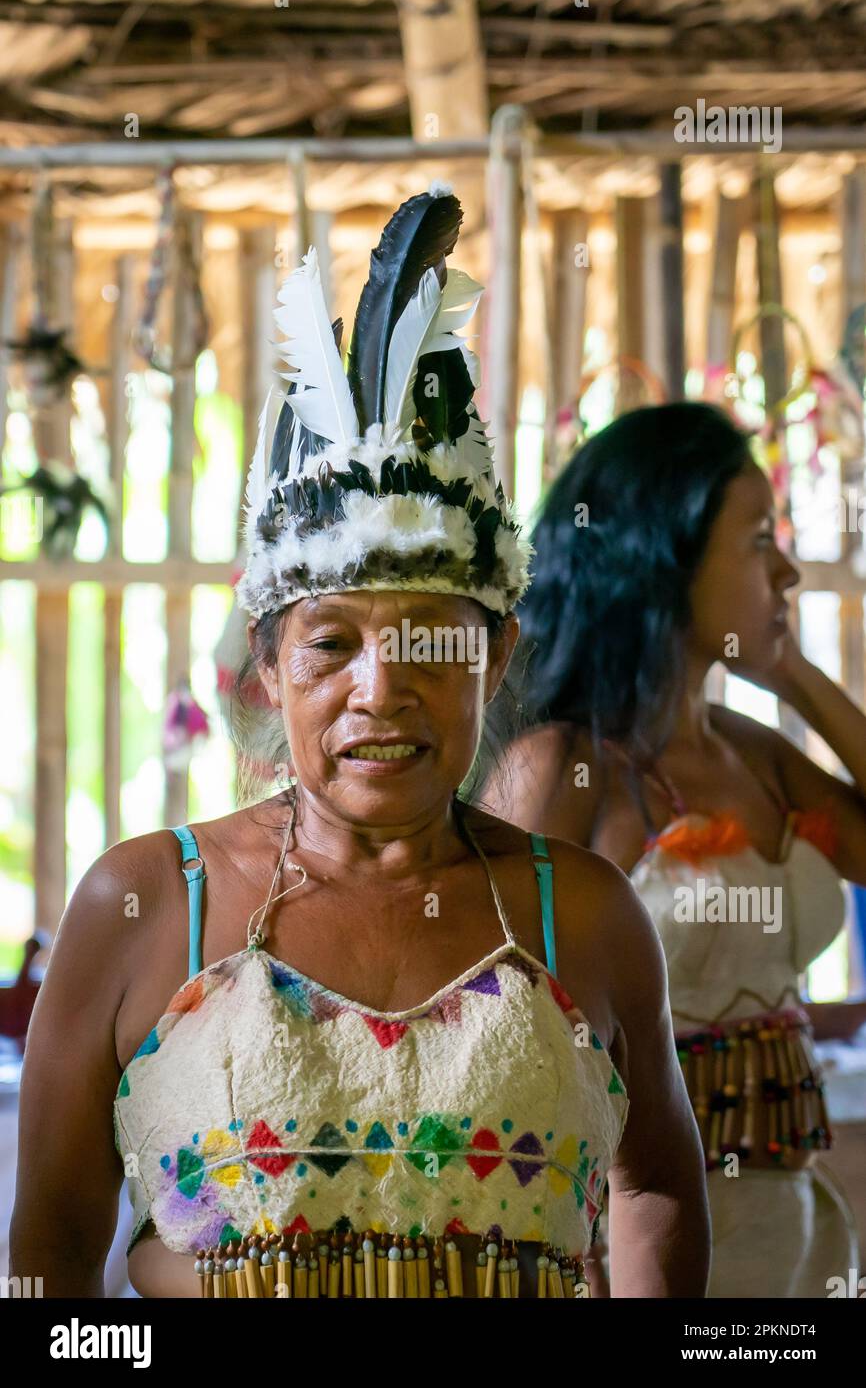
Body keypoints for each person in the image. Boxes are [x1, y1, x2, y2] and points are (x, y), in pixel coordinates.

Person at [10, 192, 707, 1300]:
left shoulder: (580, 914)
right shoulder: (140, 907)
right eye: (329, 642)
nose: (378, 691)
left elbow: (657, 1183)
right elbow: (49, 1253)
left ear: (495, 655)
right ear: (269, 660)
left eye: (431, 642)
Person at [485, 401, 866, 1298]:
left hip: (799, 1230)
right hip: (628, 1246)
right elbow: (500, 1024)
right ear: (663, 557)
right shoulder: (561, 768)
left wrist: (794, 675)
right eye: (758, 541)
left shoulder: (756, 755)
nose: (789, 569)